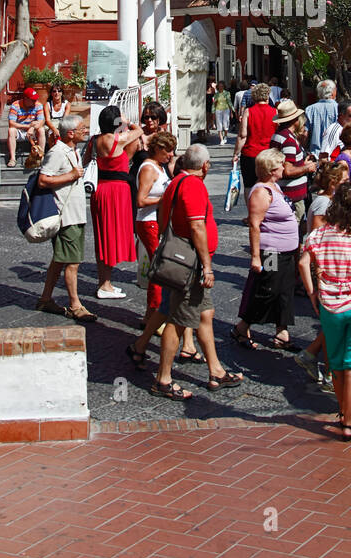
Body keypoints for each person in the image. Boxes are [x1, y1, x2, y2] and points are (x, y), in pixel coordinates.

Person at [151, 144, 244, 401]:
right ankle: (164, 379)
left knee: (205, 313)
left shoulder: (176, 182)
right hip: (190, 264)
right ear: (205, 165)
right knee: (179, 320)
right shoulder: (192, 186)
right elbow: (197, 227)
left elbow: (163, 220)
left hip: (184, 260)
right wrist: (207, 266)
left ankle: (216, 370)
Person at [299, 183, 351, 441]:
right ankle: (349, 420)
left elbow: (303, 262)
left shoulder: (320, 235)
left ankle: (342, 411)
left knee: (335, 363)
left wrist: (312, 292)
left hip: (332, 304)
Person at [232, 149, 301, 352]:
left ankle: (282, 332)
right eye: (281, 164)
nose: (284, 167)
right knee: (267, 290)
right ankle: (242, 327)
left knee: (285, 291)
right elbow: (255, 225)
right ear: (272, 169)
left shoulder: (275, 187)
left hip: (287, 251)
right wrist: (255, 257)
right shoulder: (262, 192)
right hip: (271, 252)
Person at [36, 115, 97, 323]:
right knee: (72, 262)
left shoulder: (72, 151)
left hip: (74, 214)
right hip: (66, 216)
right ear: (70, 133)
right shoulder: (57, 152)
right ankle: (75, 305)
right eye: (81, 128)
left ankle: (45, 299)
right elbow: (43, 180)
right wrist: (71, 176)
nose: (85, 130)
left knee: (60, 259)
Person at [128, 130, 179, 368]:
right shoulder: (148, 168)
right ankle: (154, 317)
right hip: (148, 221)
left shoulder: (159, 166)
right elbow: (140, 200)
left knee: (158, 270)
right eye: (167, 150)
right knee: (158, 270)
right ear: (156, 149)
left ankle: (151, 315)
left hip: (156, 221)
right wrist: (165, 199)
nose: (170, 154)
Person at [296, 159, 350, 384]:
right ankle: (328, 371)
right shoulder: (322, 204)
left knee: (334, 322)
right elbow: (317, 240)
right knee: (332, 322)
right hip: (324, 267)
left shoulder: (330, 201)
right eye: (345, 180)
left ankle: (313, 355)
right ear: (334, 182)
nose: (349, 183)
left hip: (331, 266)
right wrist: (319, 273)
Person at [86, 105, 144, 299]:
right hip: (116, 191)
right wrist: (126, 121)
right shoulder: (118, 139)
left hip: (100, 190)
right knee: (111, 237)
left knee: (103, 238)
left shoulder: (94, 141)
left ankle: (105, 282)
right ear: (116, 122)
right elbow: (139, 131)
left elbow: (86, 161)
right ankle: (104, 285)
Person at [270, 99, 316, 222]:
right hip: (292, 194)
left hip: (287, 192)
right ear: (295, 120)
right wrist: (307, 168)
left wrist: (302, 163)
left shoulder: (279, 135)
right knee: (295, 227)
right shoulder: (288, 140)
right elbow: (288, 170)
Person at [232, 82, 277, 191]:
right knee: (268, 185)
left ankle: (252, 207)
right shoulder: (275, 112)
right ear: (267, 95)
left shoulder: (248, 112)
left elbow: (242, 135)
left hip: (250, 154)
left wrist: (236, 154)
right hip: (268, 154)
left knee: (249, 186)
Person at [7, 87, 46, 168]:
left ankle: (41, 156)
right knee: (11, 130)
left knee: (41, 130)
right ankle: (12, 159)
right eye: (33, 100)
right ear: (26, 98)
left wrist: (32, 128)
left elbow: (41, 121)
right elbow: (11, 123)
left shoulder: (38, 105)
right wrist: (28, 126)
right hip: (20, 131)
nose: (35, 101)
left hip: (33, 131)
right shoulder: (15, 105)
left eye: (35, 99)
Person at [305, 80, 338, 157]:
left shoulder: (309, 109)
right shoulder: (339, 109)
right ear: (333, 92)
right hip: (334, 155)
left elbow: (305, 134)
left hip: (315, 155)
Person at [42, 83, 68, 148]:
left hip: (62, 123)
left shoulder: (67, 104)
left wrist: (59, 129)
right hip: (51, 124)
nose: (57, 93)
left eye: (59, 91)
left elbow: (65, 119)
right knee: (51, 132)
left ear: (62, 93)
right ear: (51, 93)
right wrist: (54, 129)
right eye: (54, 91)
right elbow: (47, 120)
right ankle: (52, 150)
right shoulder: (47, 105)